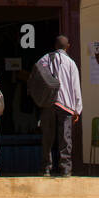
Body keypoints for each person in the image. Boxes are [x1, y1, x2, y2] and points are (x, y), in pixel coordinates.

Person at [36, 36, 82, 177]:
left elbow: (37, 76)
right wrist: (77, 109)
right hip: (66, 104)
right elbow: (75, 87)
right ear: (67, 46)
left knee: (47, 136)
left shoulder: (44, 59)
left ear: (55, 45)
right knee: (65, 137)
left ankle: (46, 168)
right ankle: (65, 168)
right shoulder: (71, 63)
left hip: (48, 103)